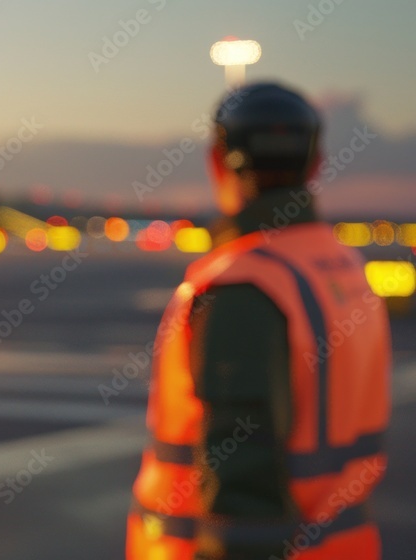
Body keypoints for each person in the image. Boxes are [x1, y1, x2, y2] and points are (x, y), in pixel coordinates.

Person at [126, 83, 391, 560]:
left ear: (217, 161)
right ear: (316, 164)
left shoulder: (244, 286)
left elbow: (243, 488)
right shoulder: (347, 269)